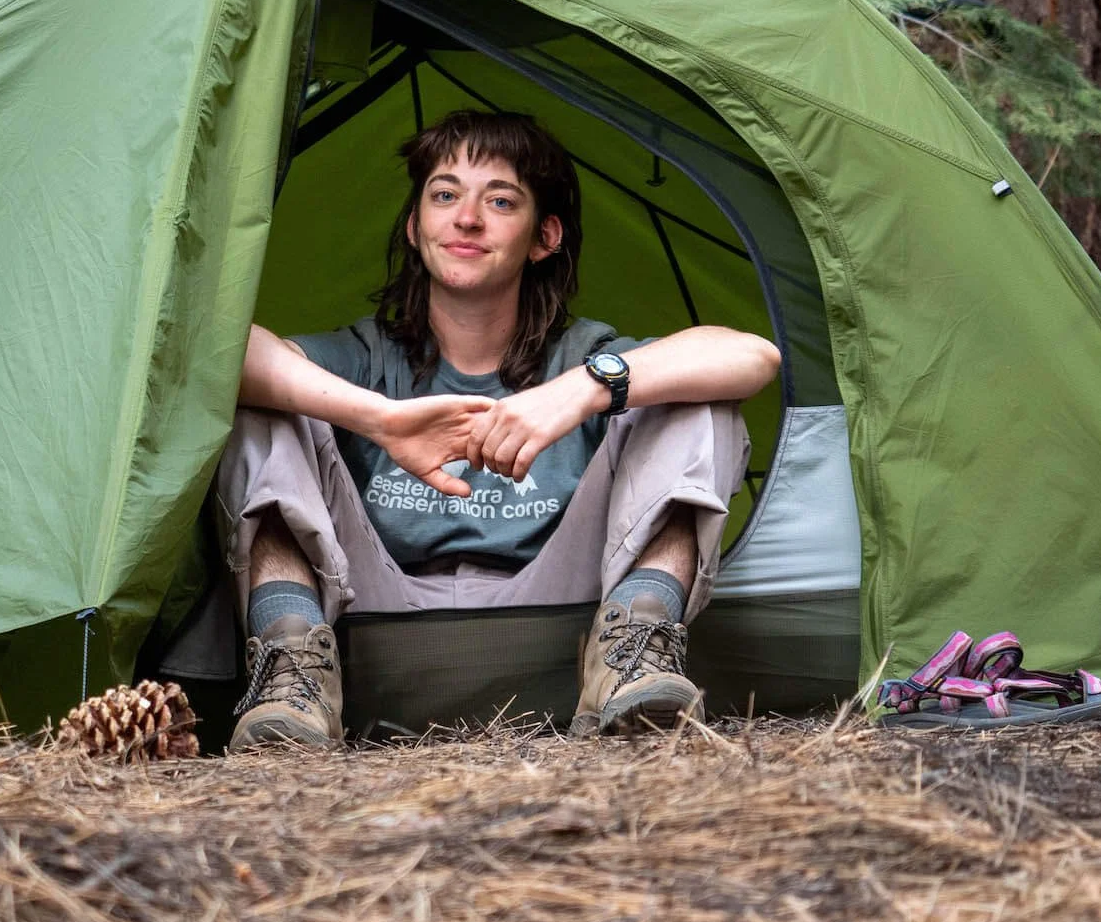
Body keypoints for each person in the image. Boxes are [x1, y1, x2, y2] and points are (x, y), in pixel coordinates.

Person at [217, 110, 780, 749]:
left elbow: (753, 356)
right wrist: (379, 419)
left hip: (566, 609)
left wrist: (579, 391)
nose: (467, 218)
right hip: (372, 608)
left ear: (544, 237)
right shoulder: (366, 357)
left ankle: (637, 649)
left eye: (501, 200)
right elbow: (219, 354)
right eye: (444, 195)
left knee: (696, 399)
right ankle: (292, 673)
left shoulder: (582, 357)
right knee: (259, 404)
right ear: (415, 226)